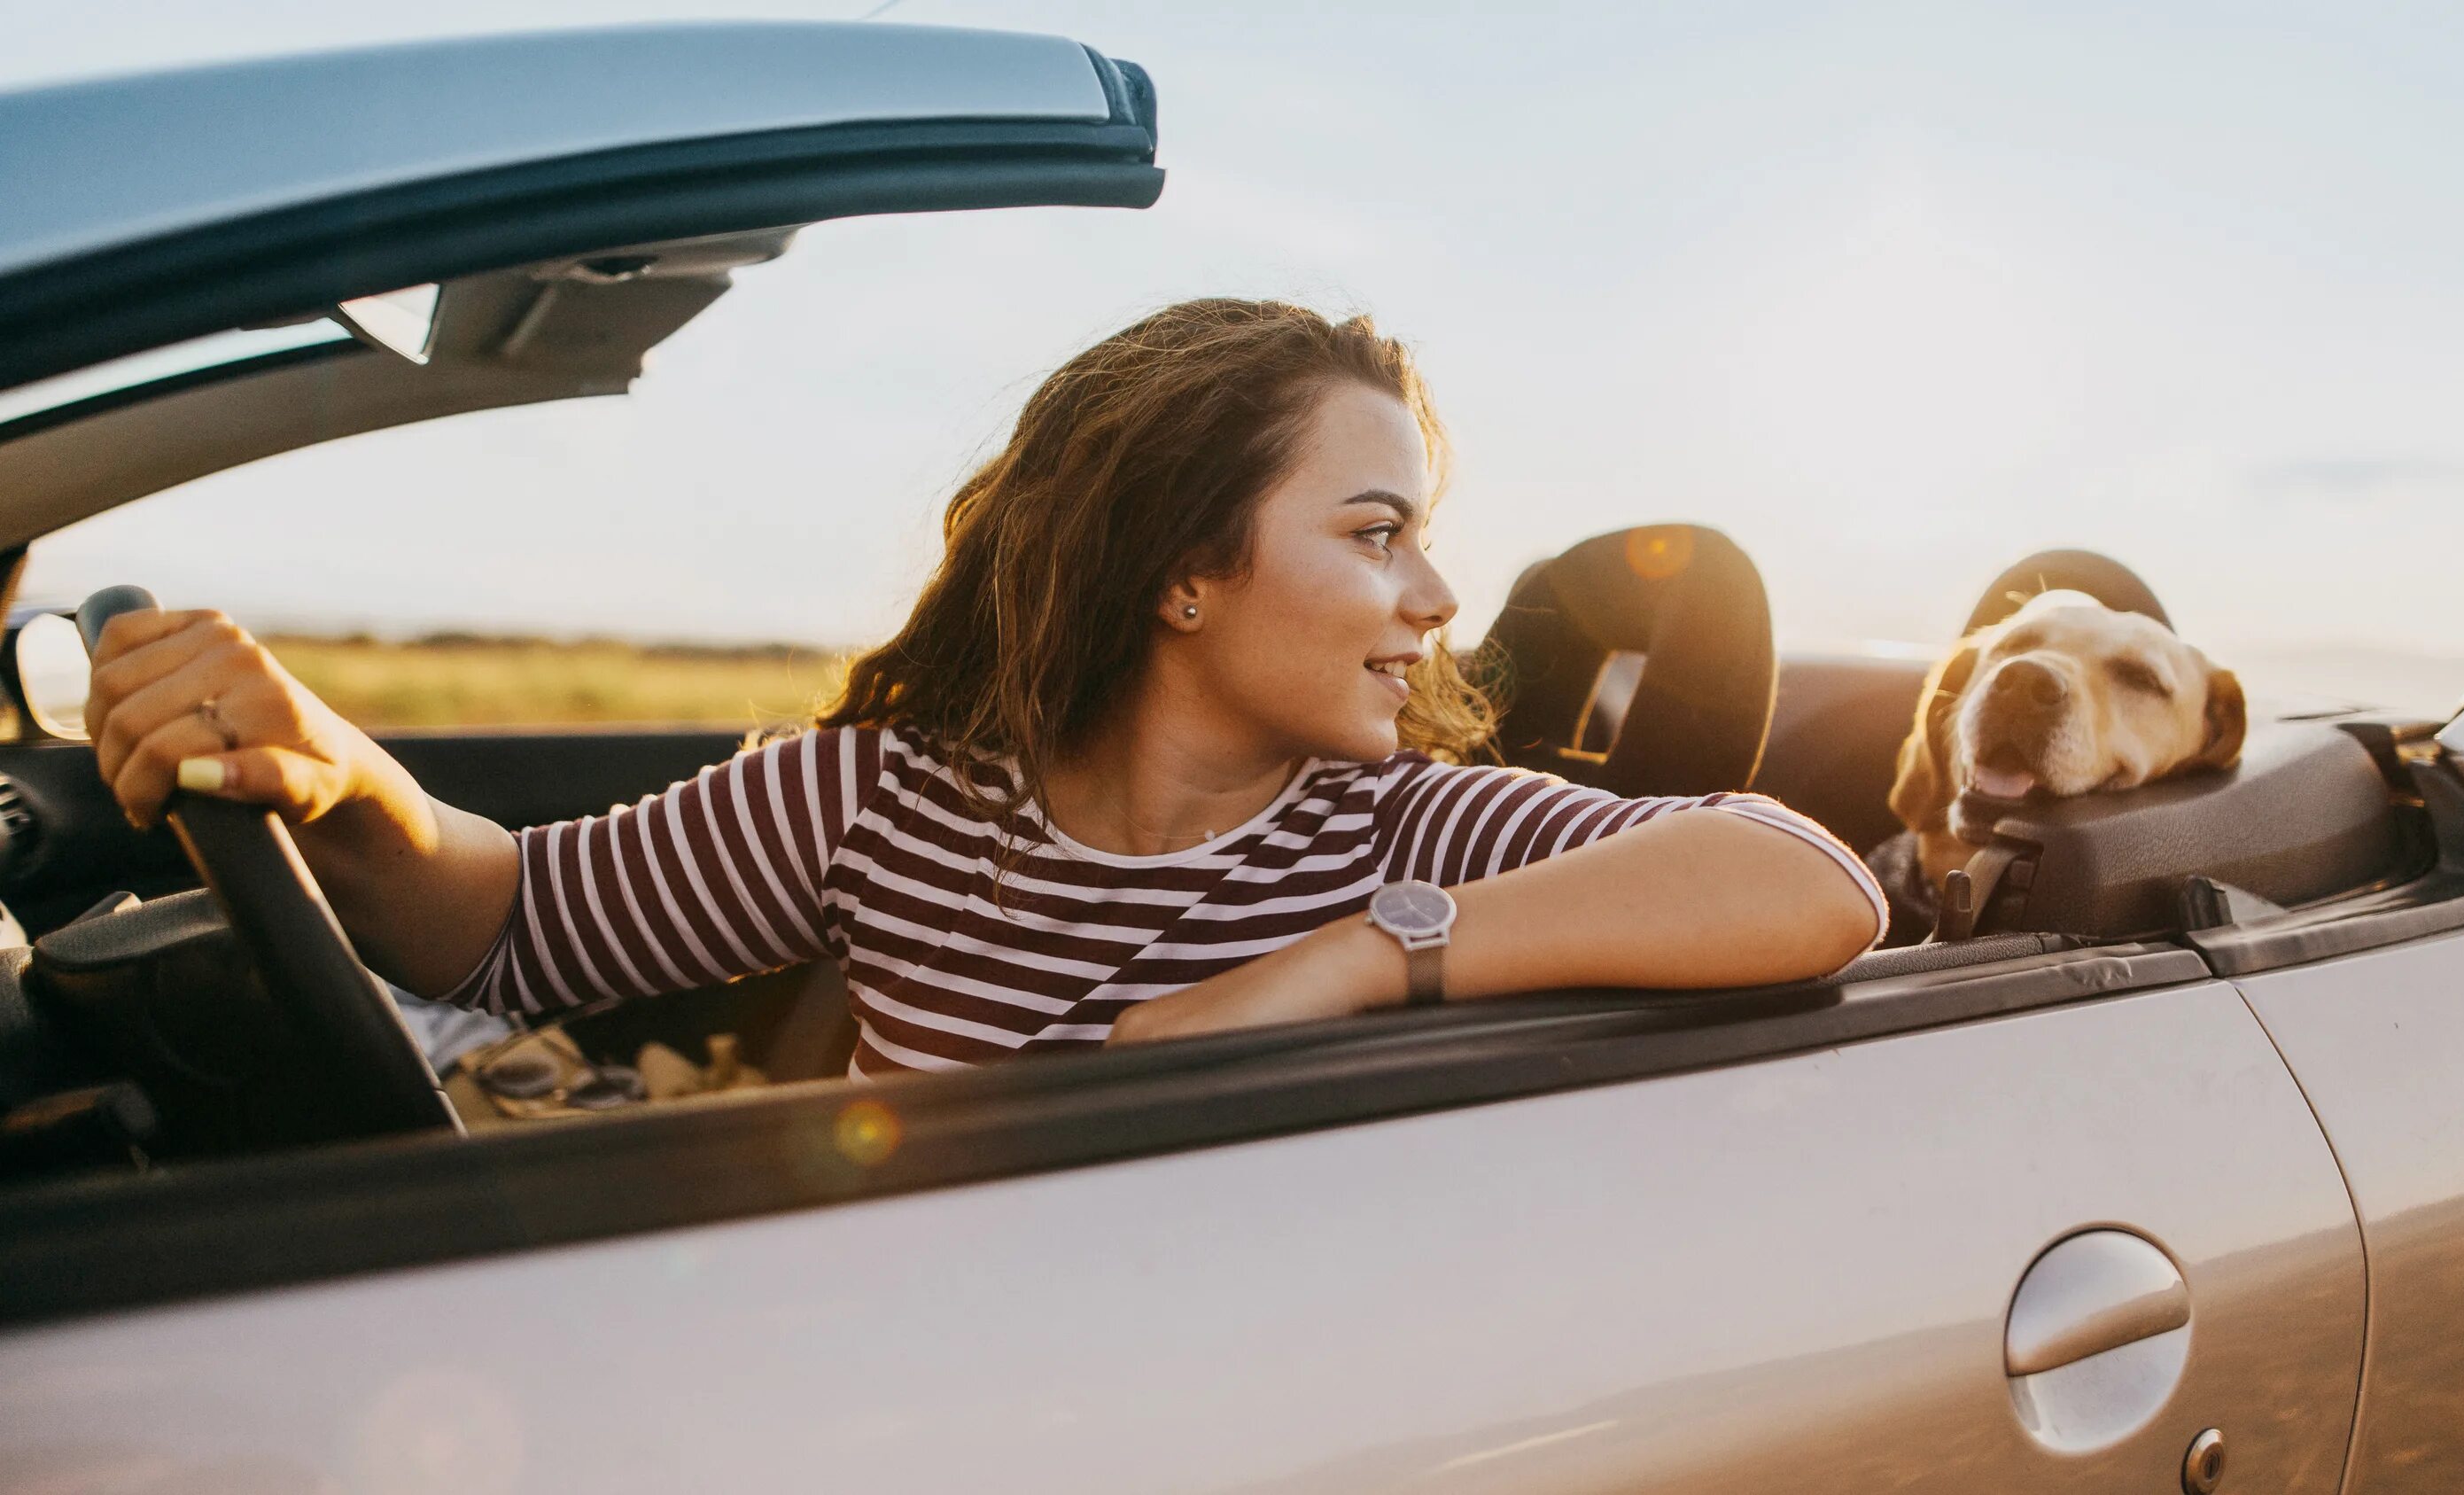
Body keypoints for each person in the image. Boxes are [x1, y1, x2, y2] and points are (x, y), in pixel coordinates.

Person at [82, 300, 1885, 1077]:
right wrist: (332, 767)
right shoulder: (885, 799)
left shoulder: (1398, 829)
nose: (1440, 592)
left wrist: (1347, 959)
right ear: (1181, 569)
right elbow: (502, 929)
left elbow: (1811, 880)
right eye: (1376, 531)